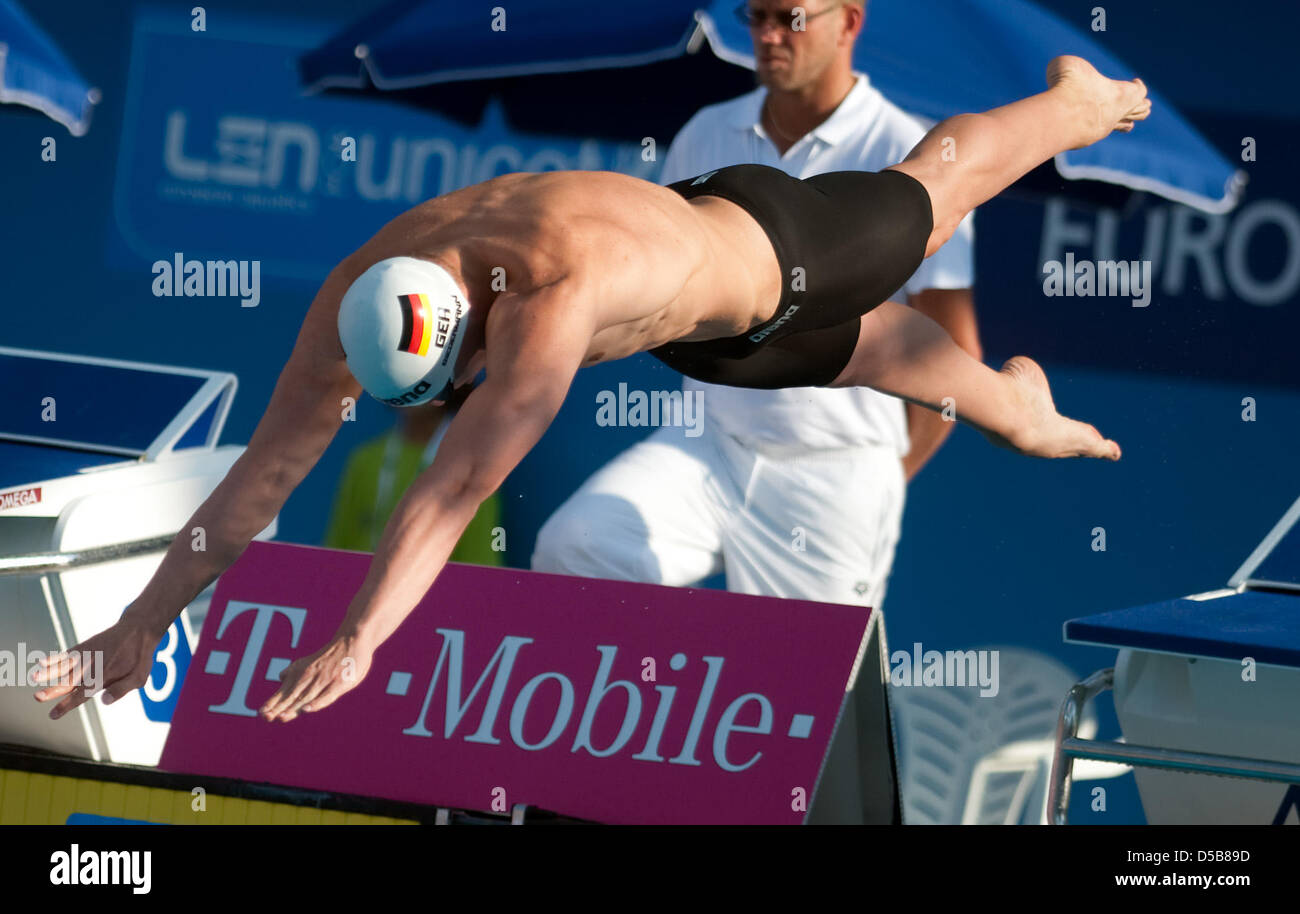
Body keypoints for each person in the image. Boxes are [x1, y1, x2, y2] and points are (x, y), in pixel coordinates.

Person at [33, 56, 1149, 723]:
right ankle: (1017, 405)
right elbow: (261, 475)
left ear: (472, 332)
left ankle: (1081, 103)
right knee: (883, 358)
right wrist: (138, 621)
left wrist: (362, 635)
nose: (456, 391)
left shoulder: (552, 296)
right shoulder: (356, 290)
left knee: (929, 196)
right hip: (701, 339)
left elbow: (453, 483)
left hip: (767, 246)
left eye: (459, 374)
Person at [534, 0, 978, 610]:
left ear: (848, 22)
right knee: (574, 551)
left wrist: (876, 486)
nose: (768, 36)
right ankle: (681, 697)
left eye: (790, 18)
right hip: (705, 444)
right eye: (756, 16)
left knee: (822, 695)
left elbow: (956, 350)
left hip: (835, 472)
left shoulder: (908, 147)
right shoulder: (706, 131)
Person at [324, 388, 504, 566]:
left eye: (425, 376)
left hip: (438, 592)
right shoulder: (365, 460)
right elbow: (336, 546)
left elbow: (480, 562)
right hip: (360, 588)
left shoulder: (469, 467)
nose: (411, 386)